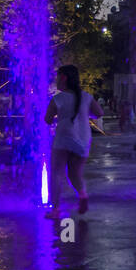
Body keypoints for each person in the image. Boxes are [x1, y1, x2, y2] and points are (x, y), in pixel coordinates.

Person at [44, 65, 102, 216]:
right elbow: (99, 113)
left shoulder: (57, 99)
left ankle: (55, 210)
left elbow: (47, 119)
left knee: (56, 173)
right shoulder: (86, 97)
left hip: (63, 138)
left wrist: (55, 116)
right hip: (83, 139)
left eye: (58, 77)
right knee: (75, 173)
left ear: (63, 78)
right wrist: (85, 114)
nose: (56, 80)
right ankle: (82, 195)